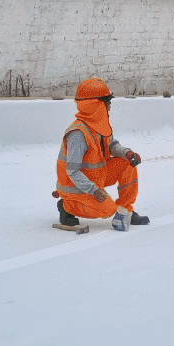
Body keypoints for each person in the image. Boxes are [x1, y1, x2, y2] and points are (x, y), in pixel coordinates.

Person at [52, 78, 149, 231]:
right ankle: (66, 206)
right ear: (96, 105)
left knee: (126, 164)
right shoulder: (78, 134)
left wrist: (127, 153)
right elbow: (72, 171)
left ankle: (125, 211)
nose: (109, 107)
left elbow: (111, 145)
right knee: (107, 210)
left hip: (96, 176)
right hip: (76, 186)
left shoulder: (99, 124)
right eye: (107, 103)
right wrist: (94, 190)